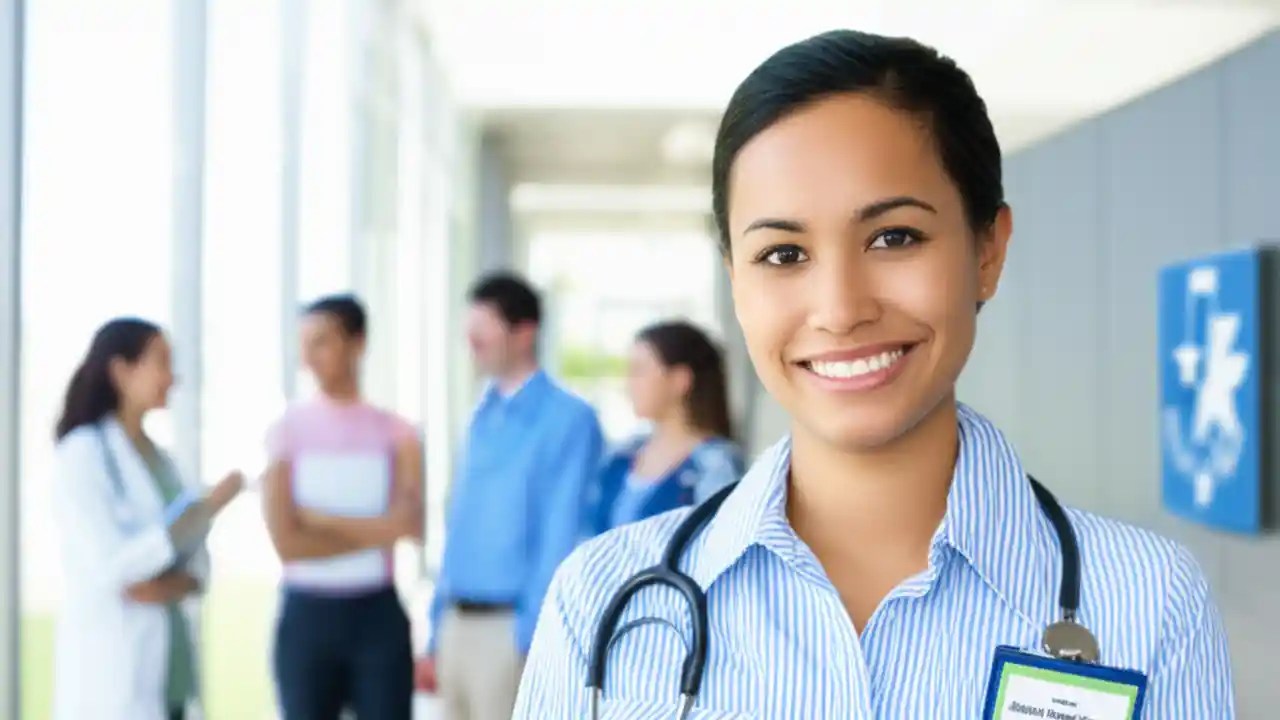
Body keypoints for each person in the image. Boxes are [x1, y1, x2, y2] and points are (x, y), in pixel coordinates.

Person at [514, 30, 1234, 718]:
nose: (841, 309)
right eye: (783, 255)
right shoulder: (601, 603)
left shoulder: (1148, 605)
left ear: (987, 250)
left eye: (894, 237)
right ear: (736, 280)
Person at [417, 272, 604, 720]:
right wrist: (436, 631)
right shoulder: (481, 414)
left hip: (510, 632)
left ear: (524, 332)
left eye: (483, 329)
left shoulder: (569, 419)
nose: (472, 341)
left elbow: (561, 531)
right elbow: (459, 524)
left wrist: (530, 635)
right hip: (457, 626)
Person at [51, 318, 244, 720]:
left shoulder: (163, 461)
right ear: (122, 371)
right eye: (162, 363)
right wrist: (200, 513)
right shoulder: (83, 454)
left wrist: (169, 573)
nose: (173, 378)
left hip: (171, 671)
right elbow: (113, 567)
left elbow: (197, 567)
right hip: (115, 675)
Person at [262, 294, 423, 720]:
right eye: (304, 345)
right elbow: (288, 544)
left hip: (377, 617)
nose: (310, 357)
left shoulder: (398, 433)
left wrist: (319, 519)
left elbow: (410, 524)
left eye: (322, 342)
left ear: (357, 343)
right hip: (306, 620)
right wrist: (379, 529)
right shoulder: (285, 433)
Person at [584, 320, 744, 537]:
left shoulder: (713, 465)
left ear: (680, 380)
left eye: (639, 371)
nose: (628, 384)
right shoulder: (621, 457)